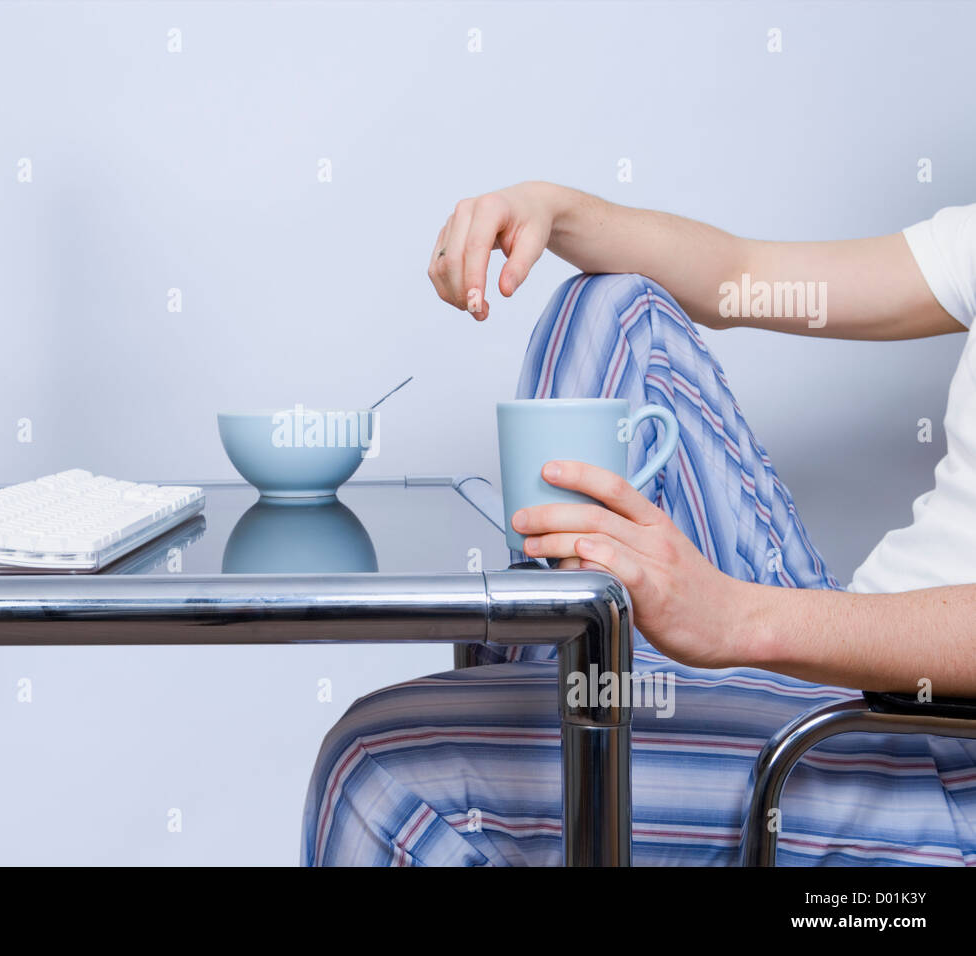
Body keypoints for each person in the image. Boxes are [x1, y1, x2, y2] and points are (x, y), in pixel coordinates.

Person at [302, 183, 976, 866]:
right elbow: (742, 279)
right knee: (614, 309)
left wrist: (739, 618)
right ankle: (560, 718)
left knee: (378, 772)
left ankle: (549, 738)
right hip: (862, 658)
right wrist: (553, 210)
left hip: (943, 750)